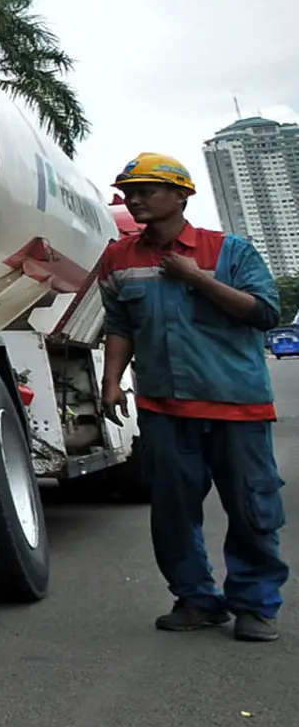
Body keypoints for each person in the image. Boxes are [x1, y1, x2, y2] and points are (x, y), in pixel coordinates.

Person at [97, 152, 286, 642]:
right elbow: (120, 325)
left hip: (236, 404)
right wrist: (111, 382)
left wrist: (198, 278)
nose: (134, 199)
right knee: (172, 511)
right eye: (129, 192)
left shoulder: (230, 251)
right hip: (163, 407)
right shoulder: (118, 258)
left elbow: (265, 313)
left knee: (251, 507)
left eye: (146, 190)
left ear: (181, 196)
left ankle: (255, 604)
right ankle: (196, 599)